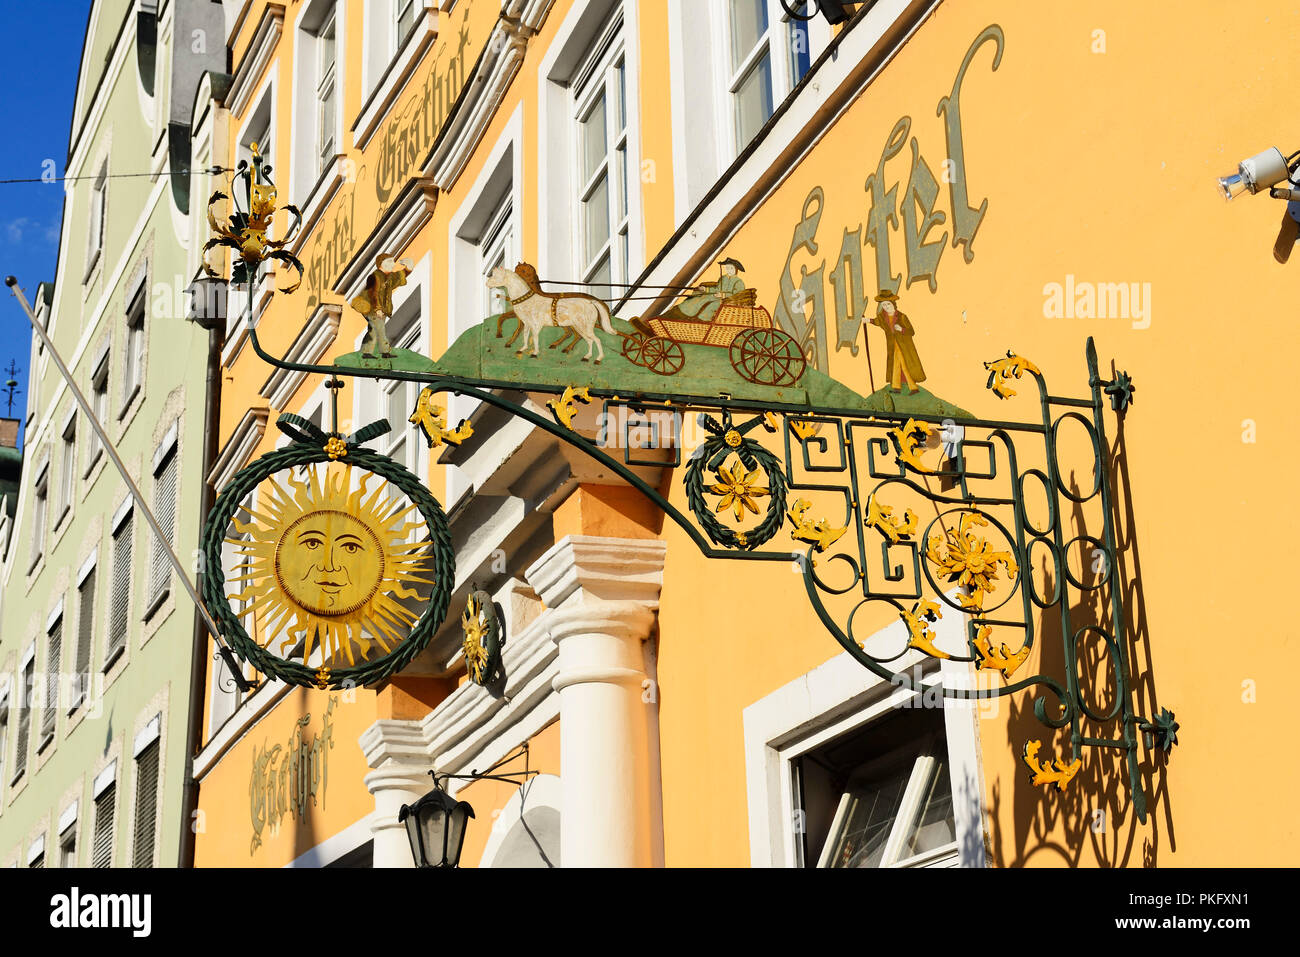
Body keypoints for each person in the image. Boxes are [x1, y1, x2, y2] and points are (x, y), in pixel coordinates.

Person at [869, 290, 926, 394]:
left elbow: (911, 331)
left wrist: (901, 329)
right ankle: (896, 387)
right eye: (884, 305)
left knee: (905, 364)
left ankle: (913, 387)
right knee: (895, 364)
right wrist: (868, 320)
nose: (886, 307)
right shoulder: (883, 317)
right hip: (892, 345)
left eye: (888, 304)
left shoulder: (902, 316)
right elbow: (877, 321)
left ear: (893, 304)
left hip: (904, 345)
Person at [660, 258, 748, 322]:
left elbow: (737, 294)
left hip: (728, 301)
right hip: (716, 296)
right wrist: (705, 289)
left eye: (731, 268)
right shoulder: (723, 278)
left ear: (736, 270)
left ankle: (701, 319)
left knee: (709, 302)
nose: (729, 270)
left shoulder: (738, 282)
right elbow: (717, 288)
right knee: (700, 298)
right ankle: (689, 314)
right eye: (727, 268)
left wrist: (723, 295)